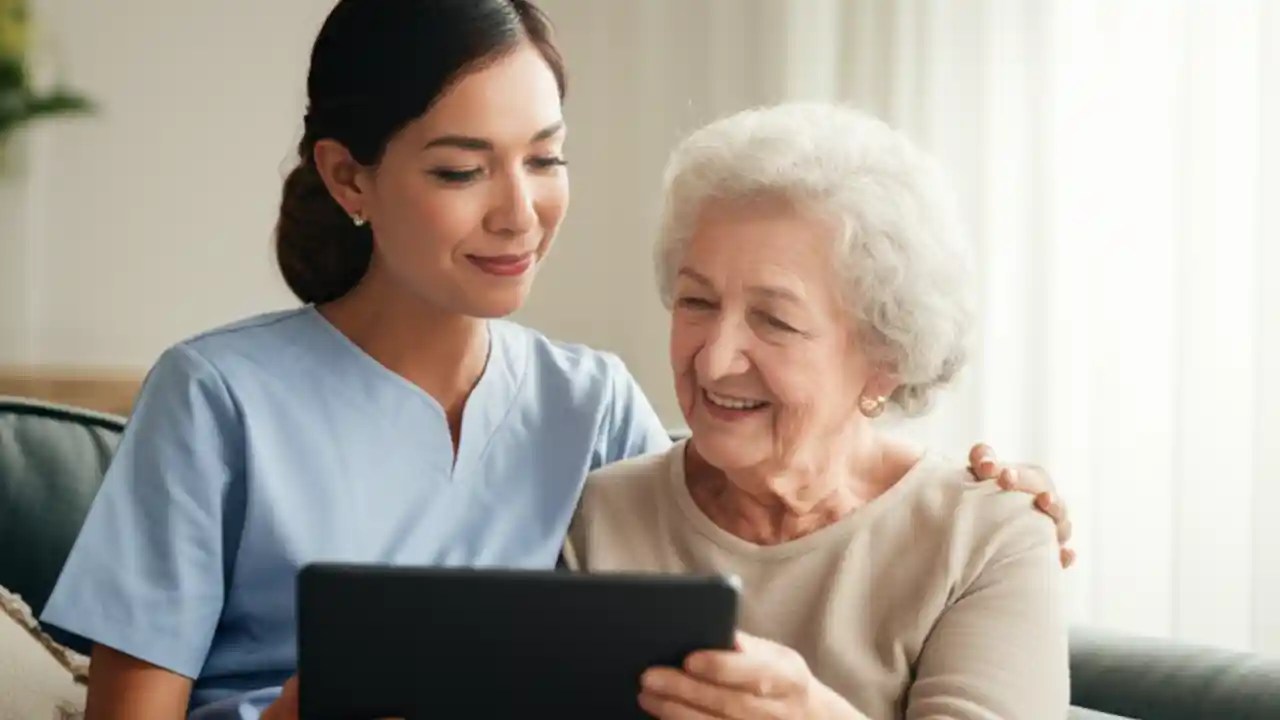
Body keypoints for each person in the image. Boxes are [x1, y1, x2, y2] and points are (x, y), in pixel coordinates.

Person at [37, 2, 1070, 718]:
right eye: (458, 168)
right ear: (349, 178)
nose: (518, 212)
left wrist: (984, 494)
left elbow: (766, 482)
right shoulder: (216, 398)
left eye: (544, 157)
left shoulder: (591, 406)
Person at [565, 103, 1069, 719]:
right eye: (697, 301)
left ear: (885, 354)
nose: (715, 360)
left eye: (774, 319)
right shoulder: (602, 516)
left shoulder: (985, 537)